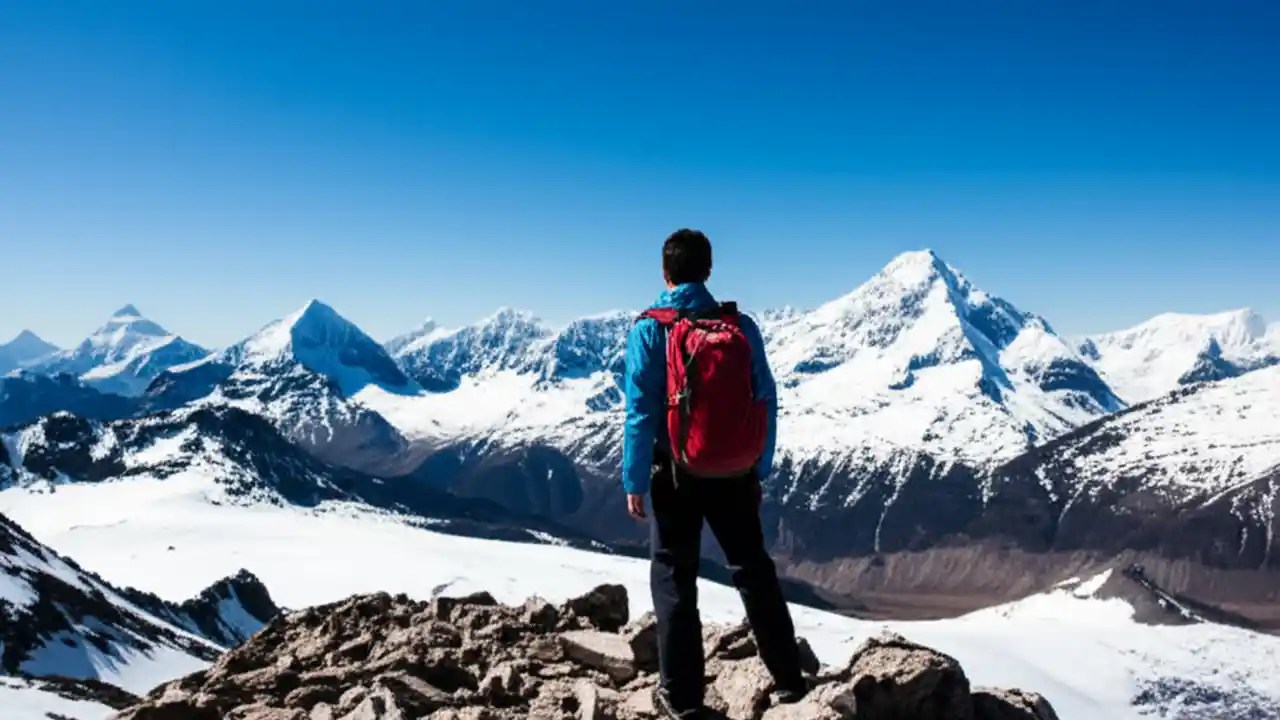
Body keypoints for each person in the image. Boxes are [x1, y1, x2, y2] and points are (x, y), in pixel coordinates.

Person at [622, 229, 808, 719]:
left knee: (674, 578)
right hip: (734, 472)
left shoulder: (649, 330)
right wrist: (757, 465)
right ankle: (789, 678)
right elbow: (764, 395)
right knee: (752, 569)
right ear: (708, 271)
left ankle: (682, 700)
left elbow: (639, 411)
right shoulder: (740, 326)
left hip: (673, 472)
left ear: (665, 274)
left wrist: (633, 480)